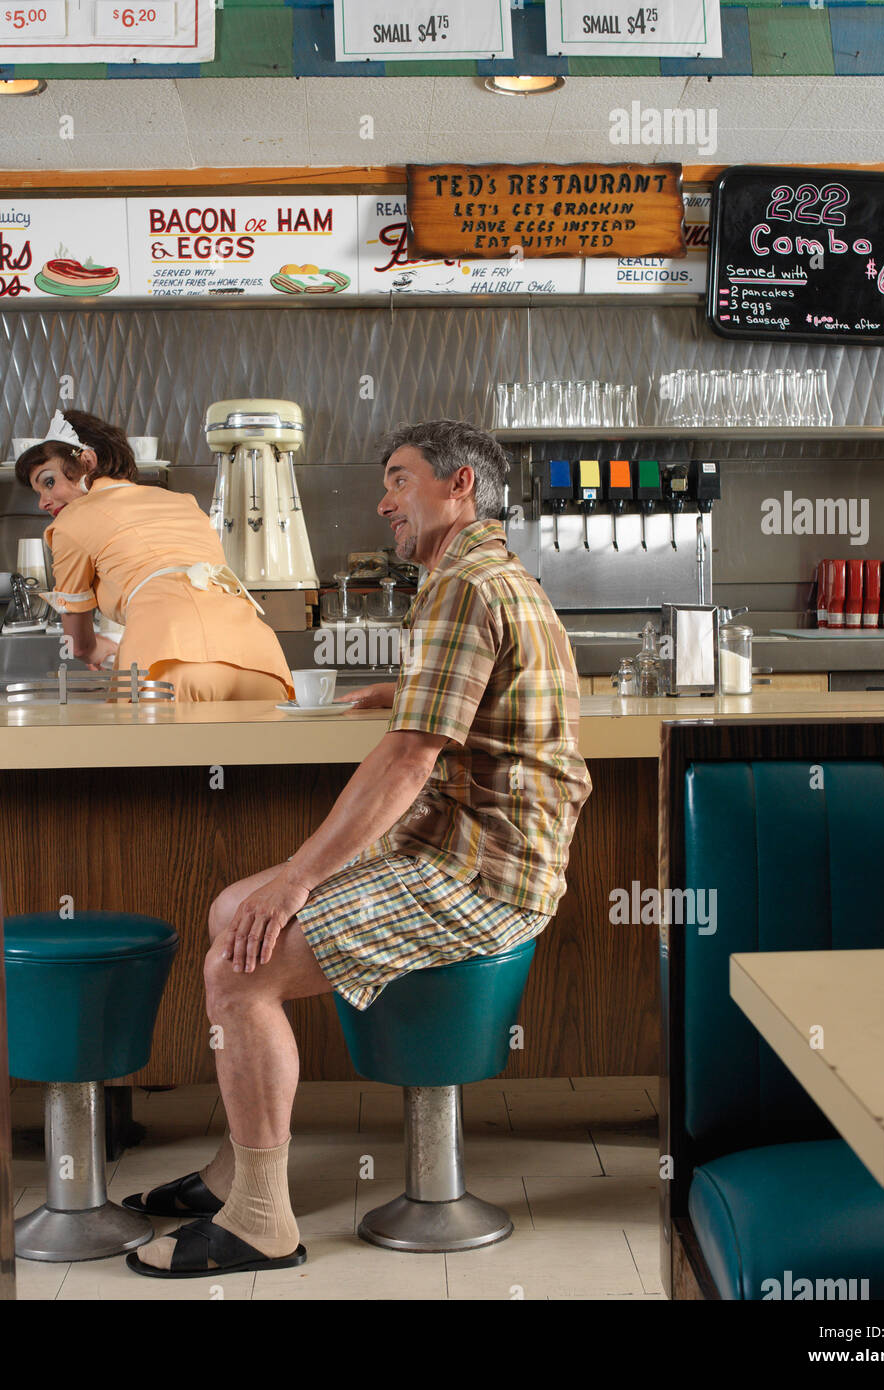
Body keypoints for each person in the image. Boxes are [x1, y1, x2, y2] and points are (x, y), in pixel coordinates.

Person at [124, 418, 592, 1278]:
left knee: (238, 962)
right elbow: (469, 708)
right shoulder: (484, 572)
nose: (383, 501)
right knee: (233, 908)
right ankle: (237, 1174)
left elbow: (411, 761)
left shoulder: (464, 585)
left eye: (400, 480)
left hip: (481, 873)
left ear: (460, 486)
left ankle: (263, 1221)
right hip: (472, 848)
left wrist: (299, 879)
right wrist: (408, 691)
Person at [16, 410, 294, 702]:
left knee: (145, 749)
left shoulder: (70, 523)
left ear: (87, 461)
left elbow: (79, 645)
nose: (43, 502)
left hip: (170, 662)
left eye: (48, 482)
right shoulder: (183, 502)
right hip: (259, 658)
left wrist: (101, 648)